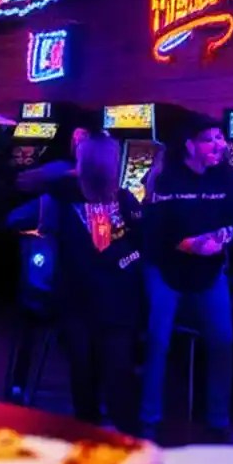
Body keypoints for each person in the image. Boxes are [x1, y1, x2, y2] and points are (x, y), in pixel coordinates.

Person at [141, 112, 233, 442]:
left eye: (219, 138)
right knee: (158, 340)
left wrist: (224, 236)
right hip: (166, 266)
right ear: (189, 145)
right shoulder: (165, 177)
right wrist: (188, 244)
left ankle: (219, 419)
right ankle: (149, 417)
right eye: (209, 139)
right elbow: (153, 231)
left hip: (209, 267)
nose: (218, 145)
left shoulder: (230, 178)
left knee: (223, 340)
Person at [44, 134, 144, 433]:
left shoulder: (63, 196)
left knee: (86, 374)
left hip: (85, 300)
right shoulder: (116, 199)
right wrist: (127, 261)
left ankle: (90, 434)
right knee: (113, 375)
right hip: (110, 302)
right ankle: (119, 439)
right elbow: (136, 248)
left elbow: (48, 233)